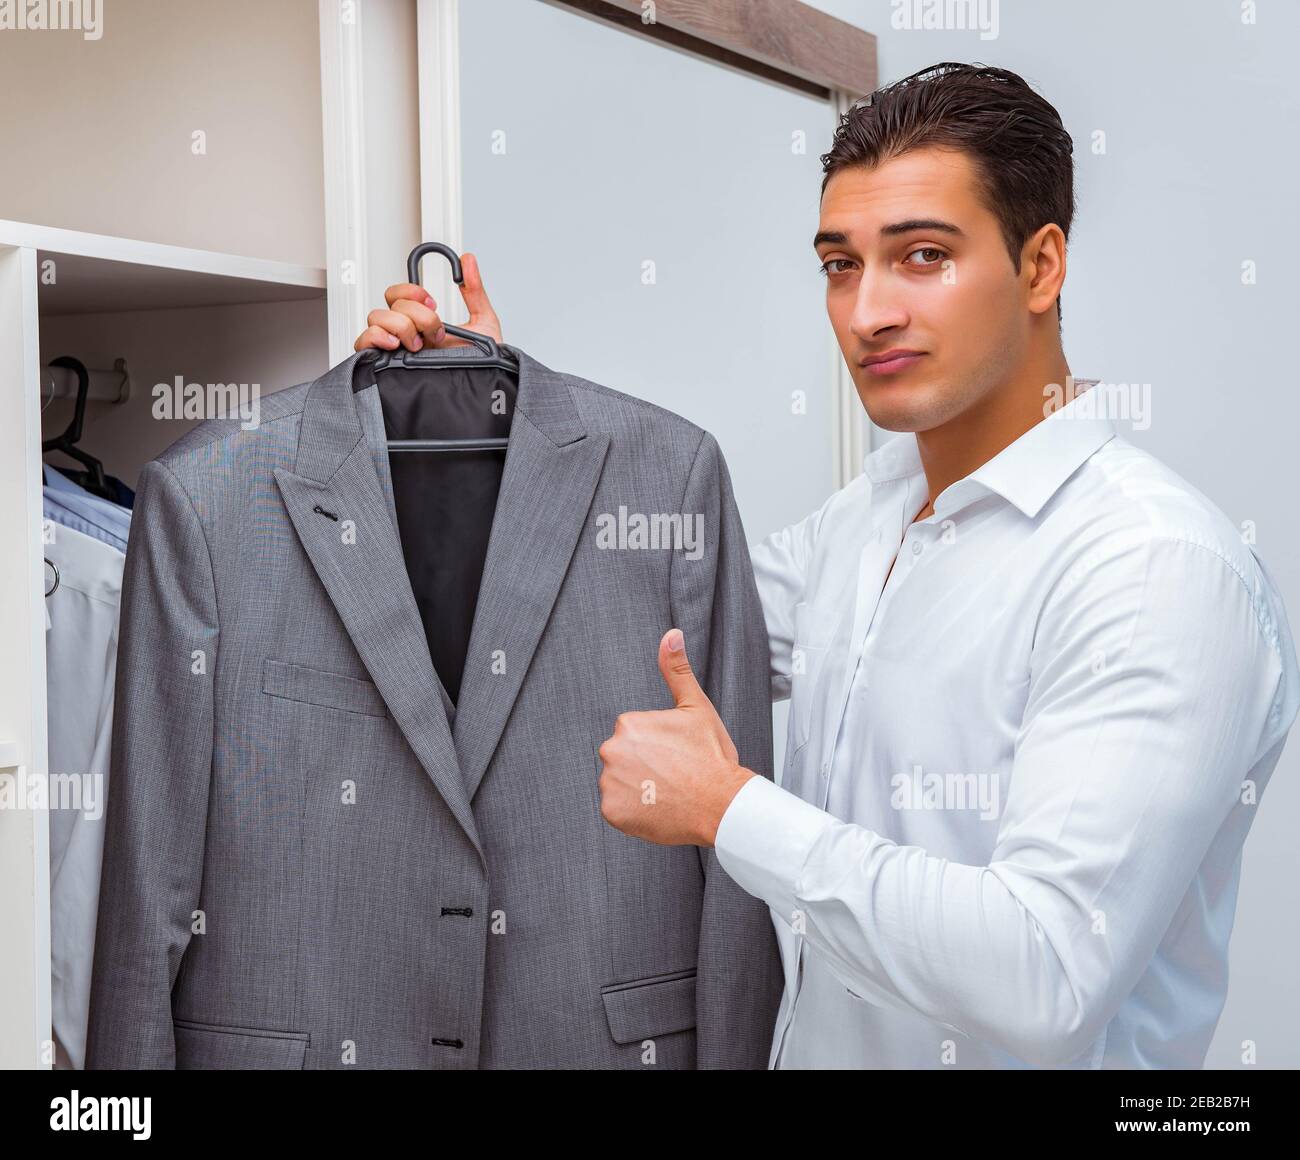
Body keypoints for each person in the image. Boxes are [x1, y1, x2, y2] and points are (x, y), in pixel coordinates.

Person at [355, 62, 1299, 1070]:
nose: (866, 313)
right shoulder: (872, 513)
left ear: (1040, 267)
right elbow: (635, 624)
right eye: (840, 265)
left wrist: (730, 810)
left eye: (921, 256)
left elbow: (1045, 971)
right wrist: (497, 418)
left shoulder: (1153, 567)